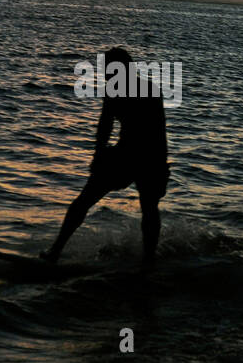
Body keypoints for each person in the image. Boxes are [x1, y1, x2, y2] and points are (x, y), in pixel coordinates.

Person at [42, 47, 170, 266]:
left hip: (147, 156)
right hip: (131, 153)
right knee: (84, 202)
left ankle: (149, 259)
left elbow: (155, 130)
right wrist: (99, 153)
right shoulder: (117, 88)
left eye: (109, 69)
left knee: (147, 207)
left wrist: (157, 164)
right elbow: (106, 124)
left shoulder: (147, 89)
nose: (106, 73)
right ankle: (55, 251)